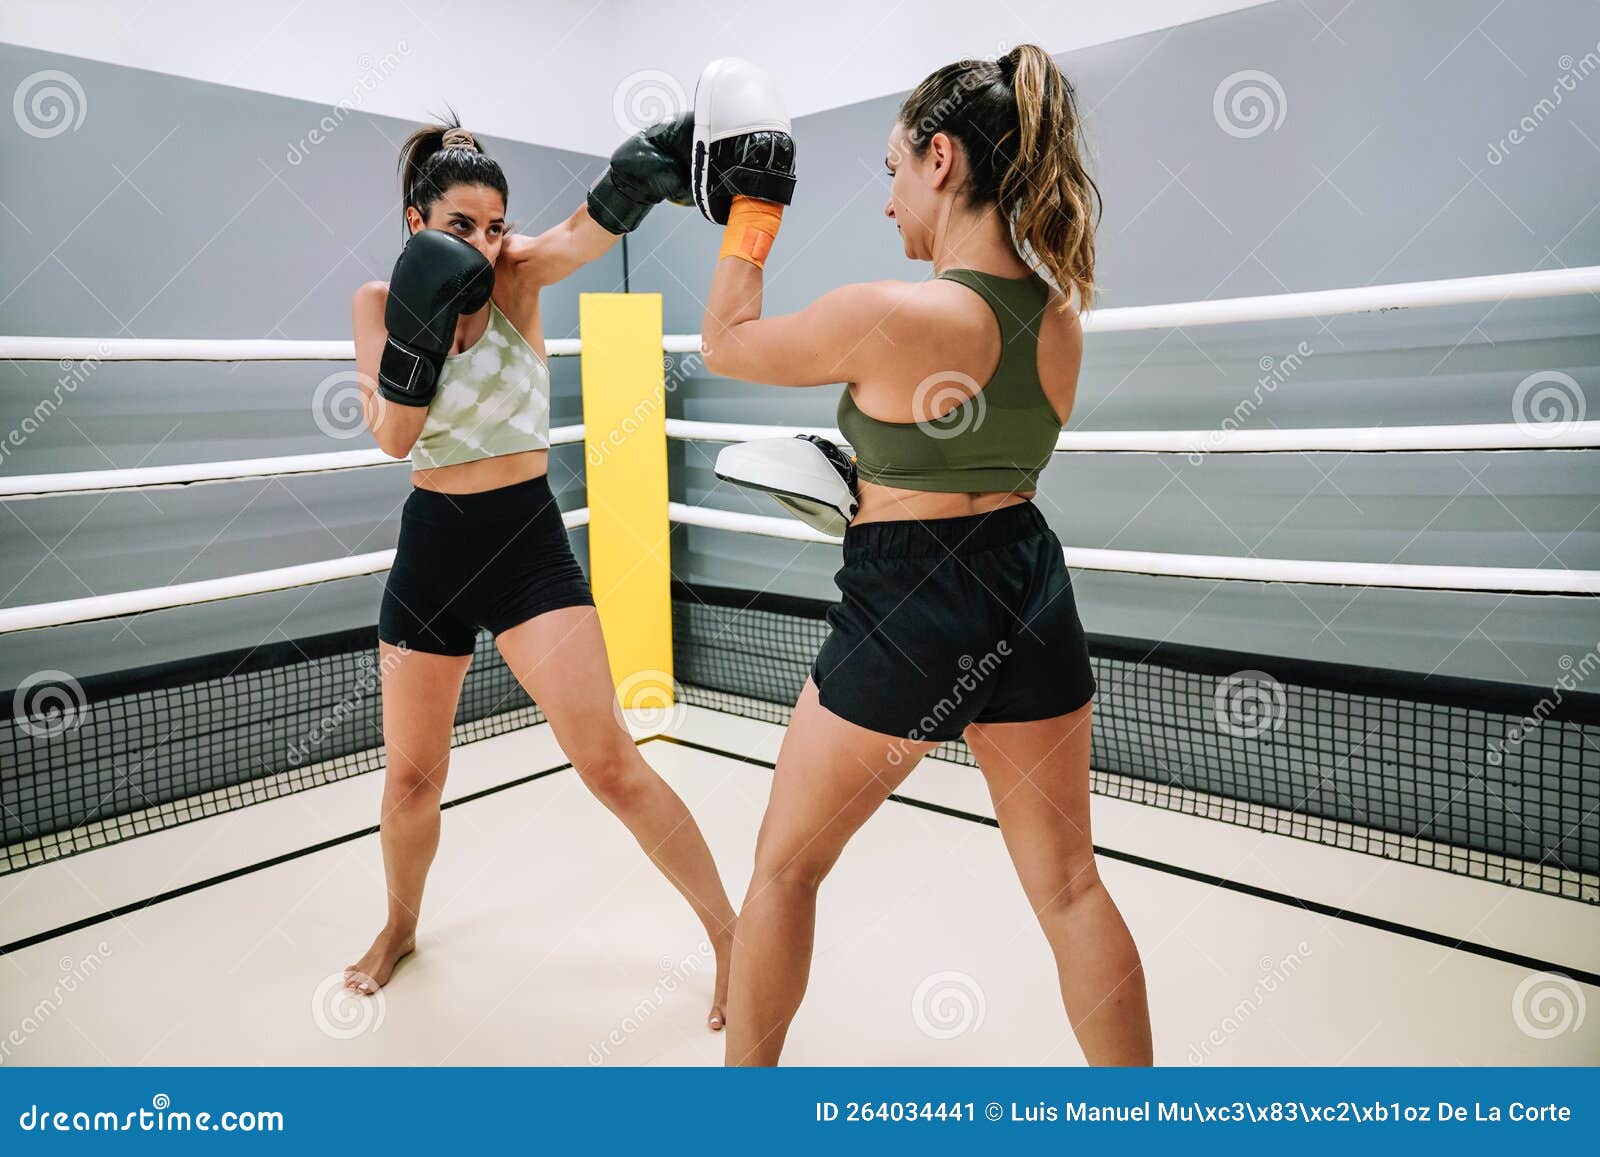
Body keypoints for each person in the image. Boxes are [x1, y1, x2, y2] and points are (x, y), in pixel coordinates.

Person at [701, 48, 1154, 1065]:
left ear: (941, 159)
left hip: (909, 596)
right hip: (1026, 578)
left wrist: (753, 210)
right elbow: (975, 457)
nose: (888, 199)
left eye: (893, 168)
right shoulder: (1059, 318)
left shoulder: (890, 313)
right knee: (1070, 883)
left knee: (782, 870)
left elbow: (724, 340)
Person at [348, 117, 738, 1032]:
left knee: (609, 762)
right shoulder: (376, 300)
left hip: (525, 545)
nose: (484, 244)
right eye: (460, 227)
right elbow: (395, 436)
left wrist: (639, 179)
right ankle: (400, 925)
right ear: (416, 224)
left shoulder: (519, 273)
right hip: (432, 547)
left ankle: (731, 930)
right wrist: (424, 318)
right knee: (411, 782)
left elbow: (582, 235)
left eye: (494, 226)